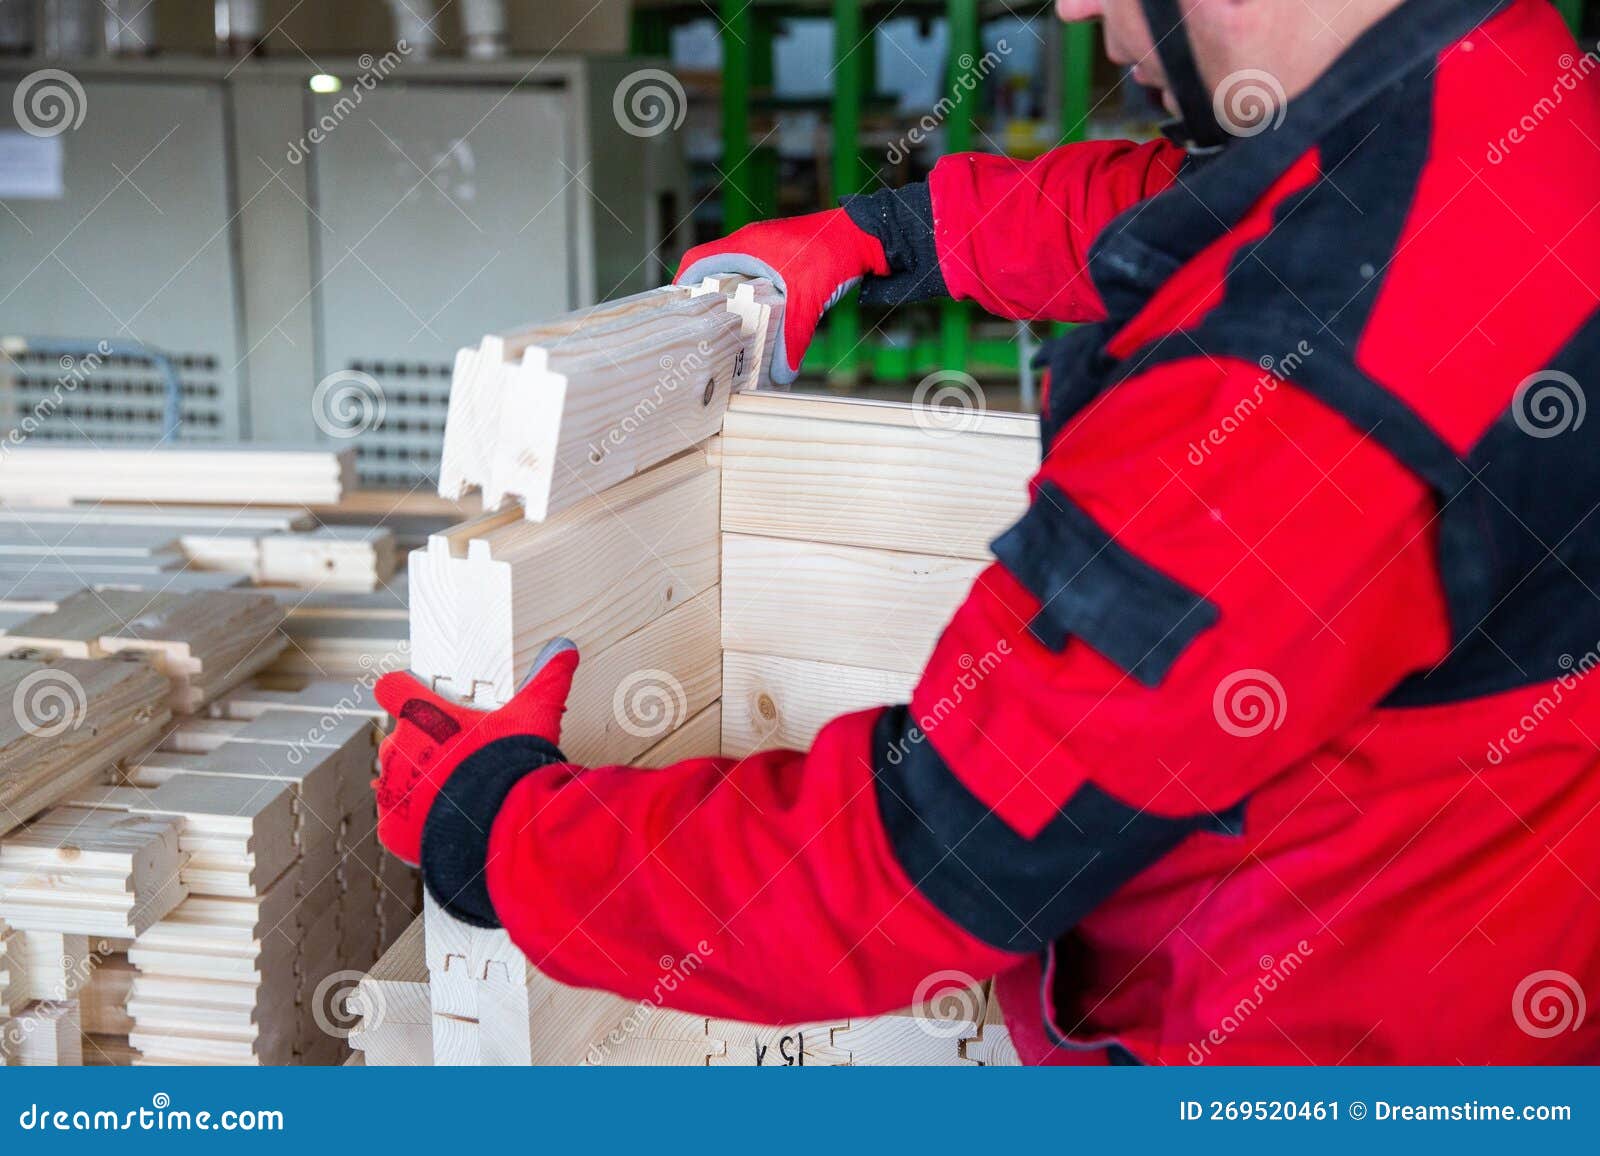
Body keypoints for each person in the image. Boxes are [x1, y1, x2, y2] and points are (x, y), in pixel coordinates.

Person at [374, 0, 1600, 1064]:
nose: (1074, 11)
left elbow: (935, 857)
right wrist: (891, 238)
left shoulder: (1292, 389)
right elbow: (1205, 207)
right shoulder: (1509, 87)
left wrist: (506, 835)